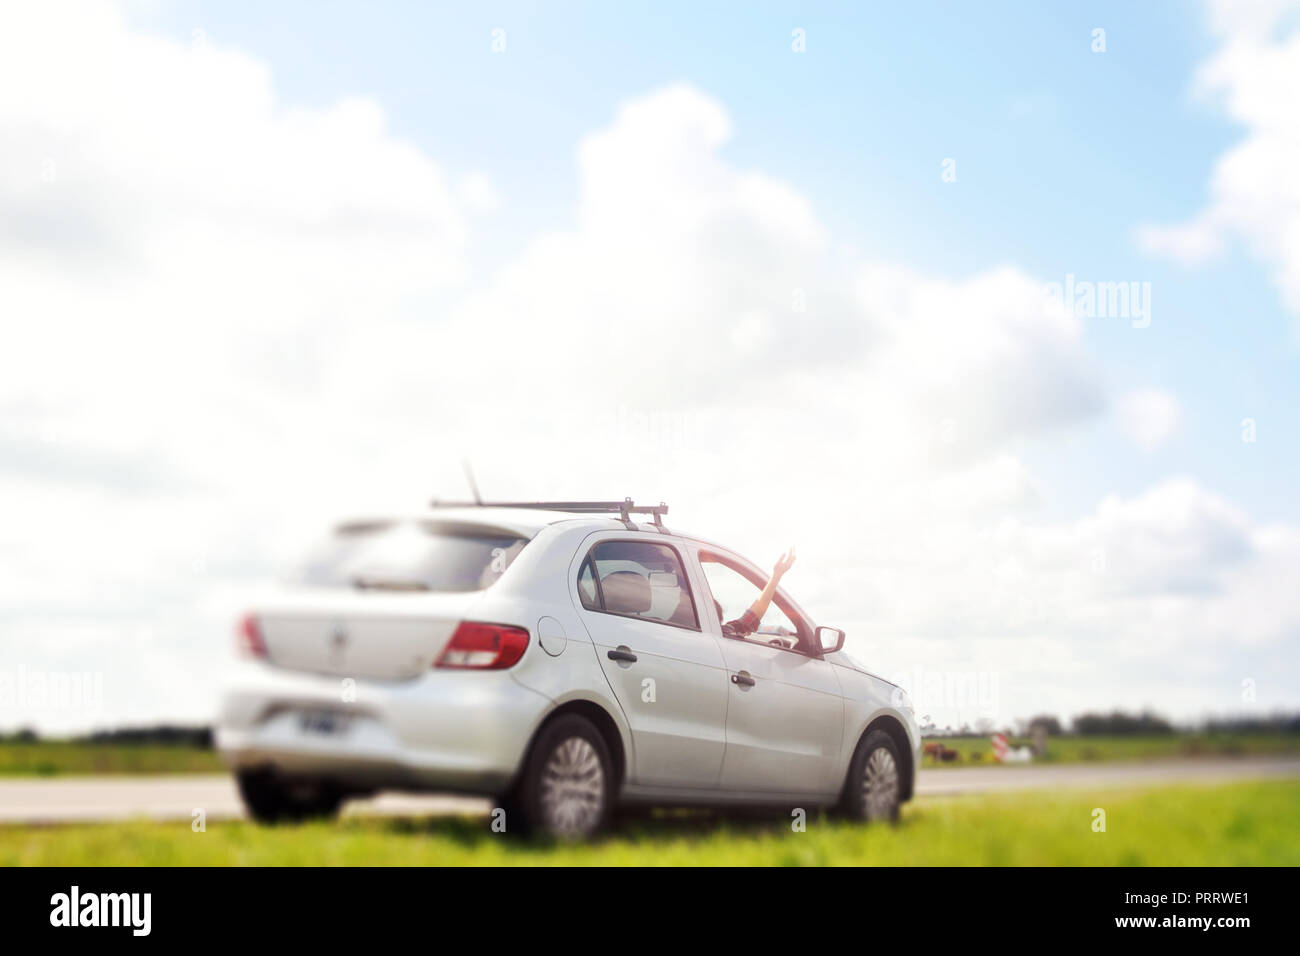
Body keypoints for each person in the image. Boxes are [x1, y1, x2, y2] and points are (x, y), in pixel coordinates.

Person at [717, 547, 796, 639]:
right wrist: (777, 575)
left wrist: (777, 575)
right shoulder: (720, 634)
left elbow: (750, 619)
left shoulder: (720, 633)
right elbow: (750, 619)